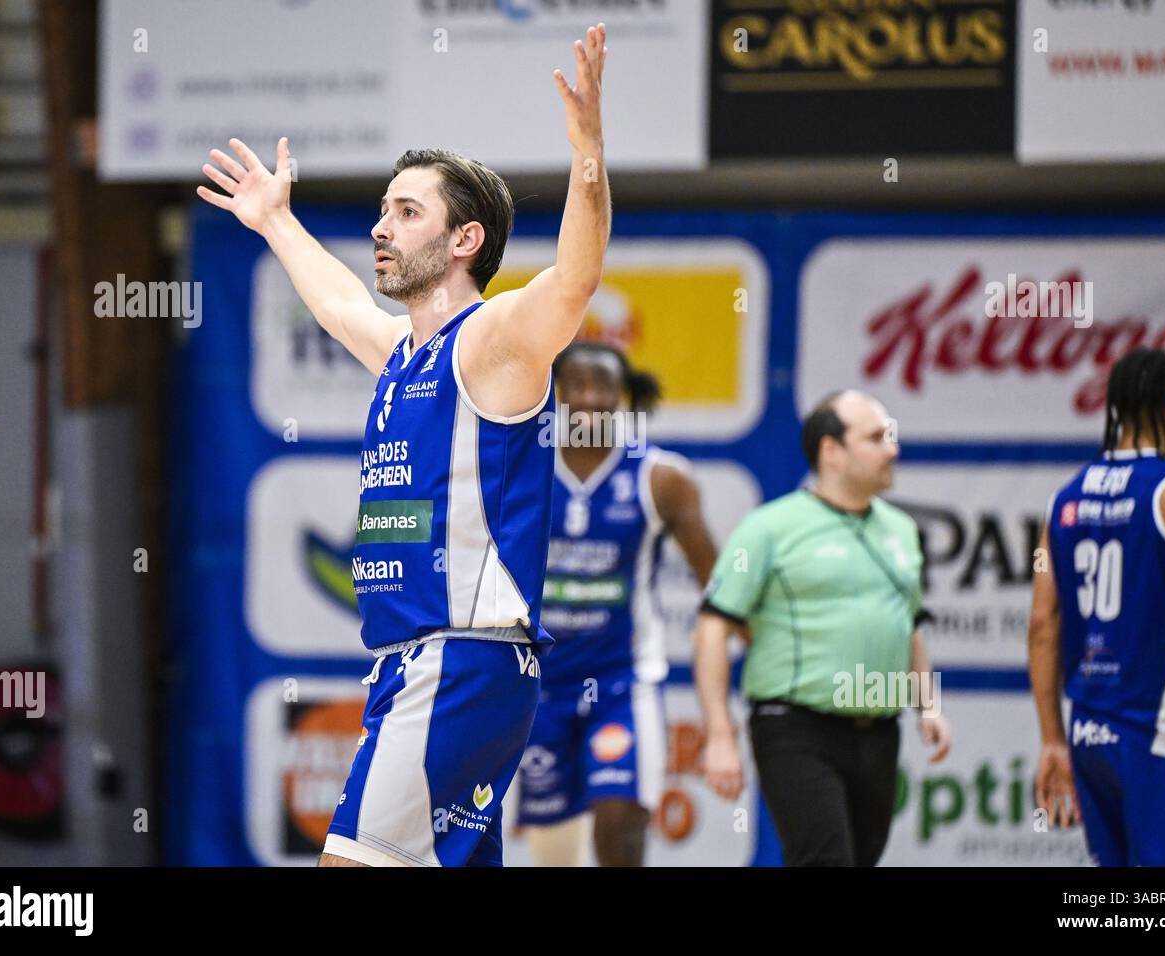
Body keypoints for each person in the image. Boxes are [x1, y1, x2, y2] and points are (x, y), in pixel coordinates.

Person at [197, 24, 612, 867]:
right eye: (384, 209)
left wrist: (588, 155)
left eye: (407, 211)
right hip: (428, 668)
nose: (383, 227)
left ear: (464, 242)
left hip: (459, 664)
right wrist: (276, 222)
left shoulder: (491, 341)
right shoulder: (402, 353)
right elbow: (342, 304)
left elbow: (573, 280)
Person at [693, 389, 951, 866]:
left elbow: (908, 622)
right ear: (831, 451)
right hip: (795, 727)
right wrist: (719, 734)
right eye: (876, 437)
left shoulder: (901, 530)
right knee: (826, 861)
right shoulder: (770, 528)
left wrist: (928, 705)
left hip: (878, 730)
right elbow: (713, 625)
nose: (892, 448)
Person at [1029, 348, 1165, 866]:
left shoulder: (1064, 499)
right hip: (1160, 734)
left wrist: (1052, 740)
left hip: (1088, 736)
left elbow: (1041, 625)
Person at [515, 342, 718, 867]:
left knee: (619, 828)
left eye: (603, 386)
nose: (589, 398)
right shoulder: (523, 470)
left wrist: (748, 636)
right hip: (538, 686)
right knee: (552, 855)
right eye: (576, 385)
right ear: (554, 395)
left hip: (623, 684)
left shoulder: (661, 478)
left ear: (623, 397)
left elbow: (716, 579)